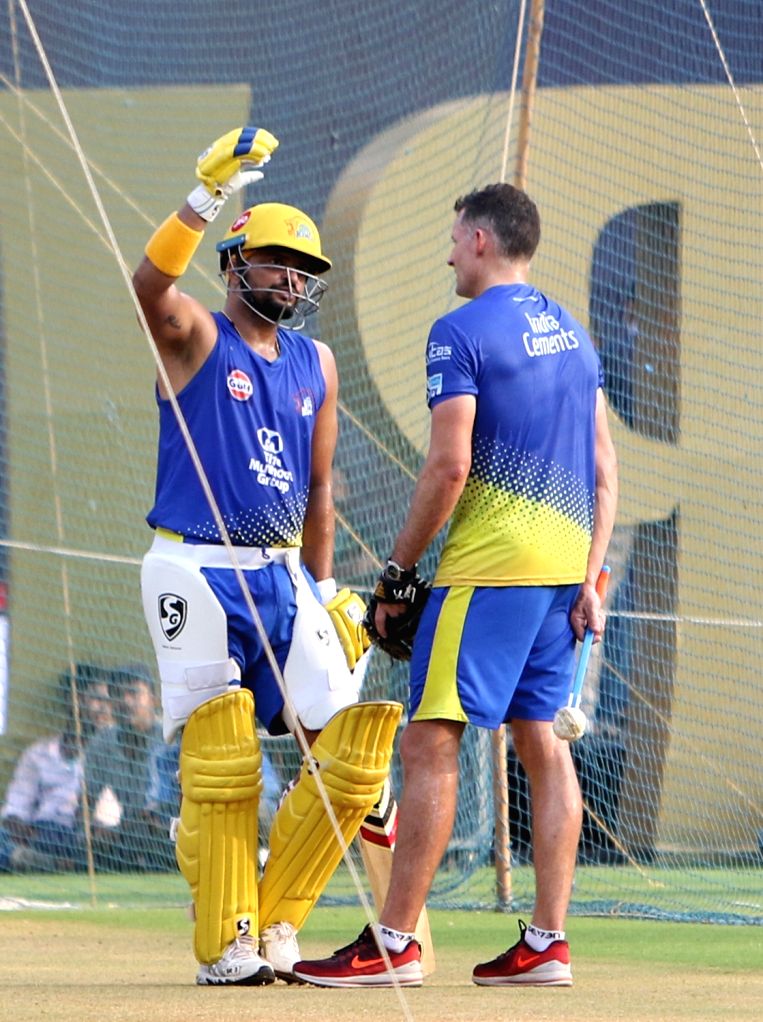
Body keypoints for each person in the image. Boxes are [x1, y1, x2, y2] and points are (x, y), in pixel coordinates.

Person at [294, 182, 619, 988]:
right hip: (561, 572)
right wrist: (589, 577)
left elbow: (448, 465)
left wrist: (399, 571)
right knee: (541, 744)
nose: (446, 253)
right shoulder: (574, 336)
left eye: (451, 238)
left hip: (491, 569)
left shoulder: (459, 331)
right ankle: (546, 943)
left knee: (429, 738)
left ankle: (394, 942)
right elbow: (606, 470)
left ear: (478, 240)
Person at [132, 126, 401, 986]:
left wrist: (322, 587)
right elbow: (147, 288)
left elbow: (321, 492)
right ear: (237, 264)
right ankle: (227, 941)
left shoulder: (315, 361)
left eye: (303, 268)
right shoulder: (196, 338)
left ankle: (278, 919)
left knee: (348, 758)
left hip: (284, 575)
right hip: (195, 565)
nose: (292, 279)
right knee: (223, 756)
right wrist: (205, 193)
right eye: (278, 262)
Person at [0, 663, 113, 872]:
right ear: (73, 701)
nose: (104, 708)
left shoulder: (113, 754)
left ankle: (42, 864)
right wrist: (24, 832)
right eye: (96, 699)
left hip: (84, 838)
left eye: (108, 700)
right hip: (42, 834)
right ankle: (48, 863)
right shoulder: (38, 754)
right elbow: (15, 809)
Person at [83, 662, 176, 871]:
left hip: (170, 832)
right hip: (126, 834)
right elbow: (88, 799)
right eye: (117, 694)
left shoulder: (172, 740)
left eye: (134, 693)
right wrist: (95, 827)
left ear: (154, 699)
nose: (125, 702)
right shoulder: (101, 744)